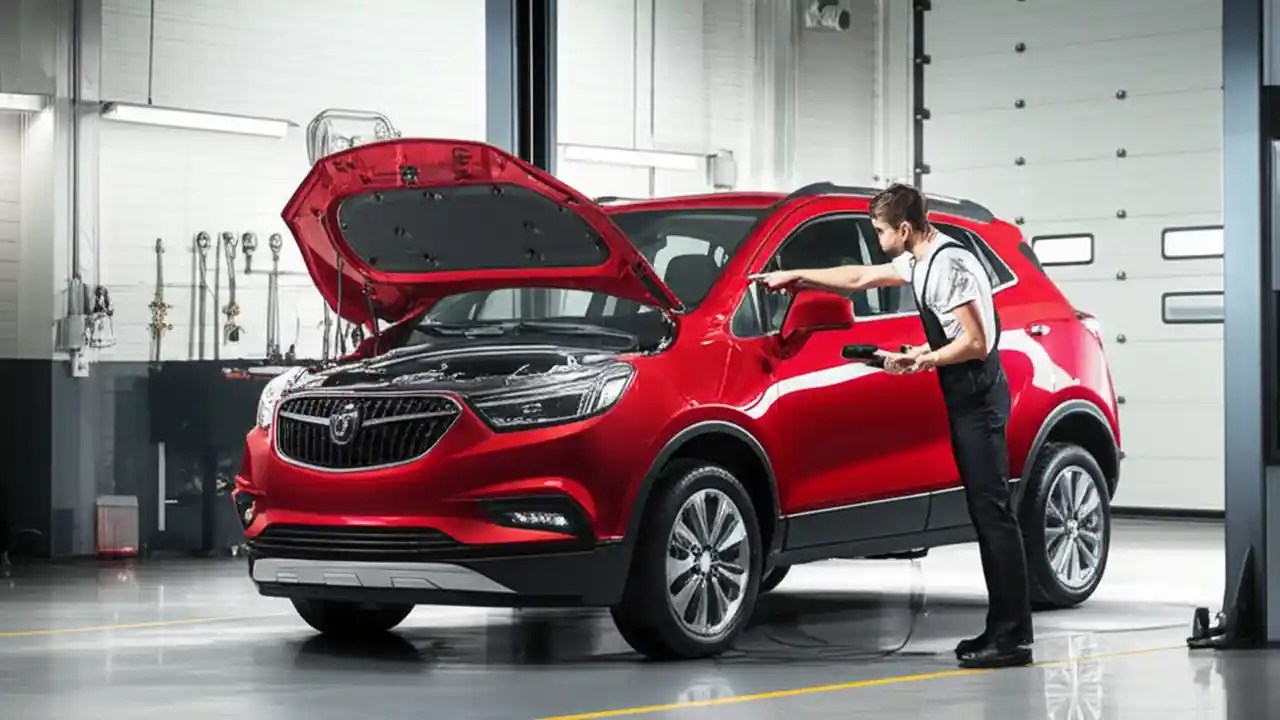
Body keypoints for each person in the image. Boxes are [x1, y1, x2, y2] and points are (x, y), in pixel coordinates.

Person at [752, 183, 1034, 669]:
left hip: (979, 399)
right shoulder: (920, 259)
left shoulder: (948, 265)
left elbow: (975, 342)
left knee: (993, 515)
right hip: (964, 395)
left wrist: (921, 361)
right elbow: (860, 277)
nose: (877, 239)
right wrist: (796, 275)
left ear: (904, 229)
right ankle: (1006, 630)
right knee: (986, 512)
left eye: (881, 231)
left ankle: (1011, 636)